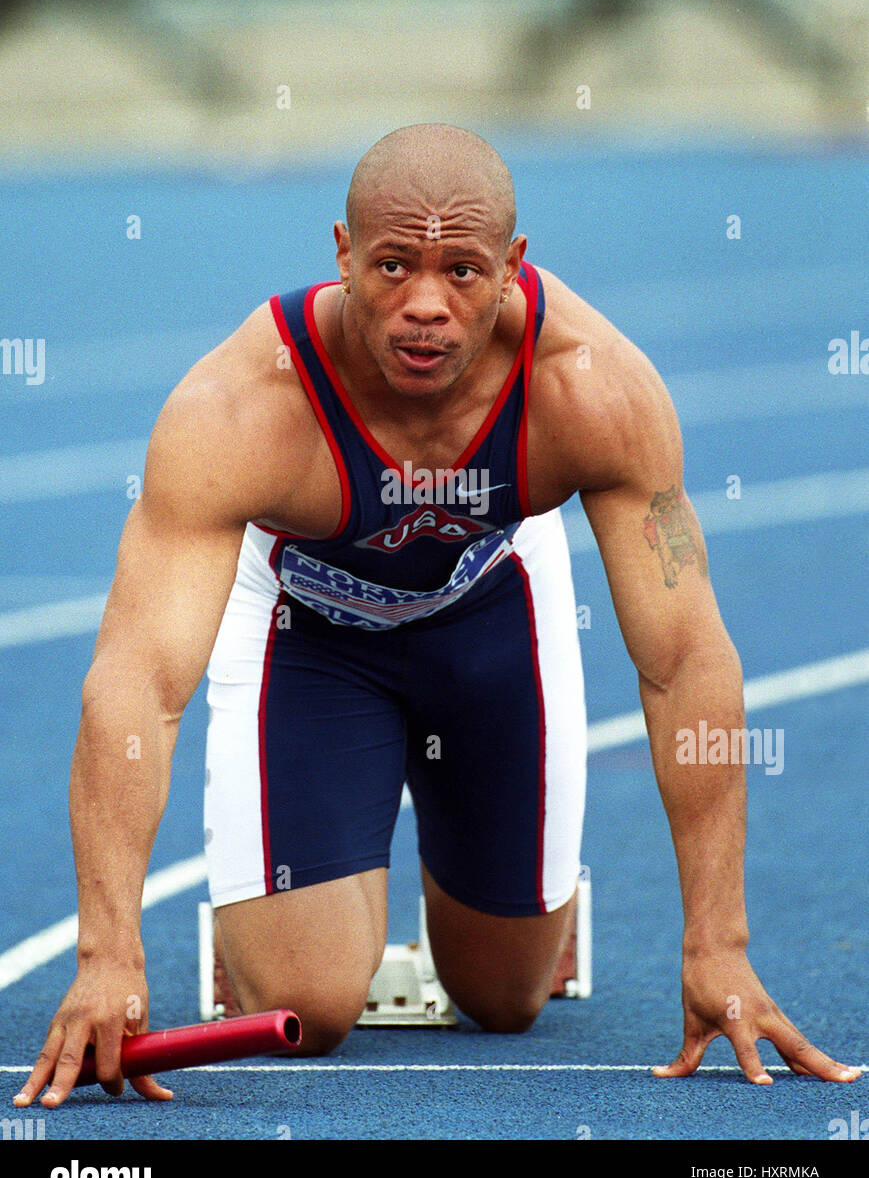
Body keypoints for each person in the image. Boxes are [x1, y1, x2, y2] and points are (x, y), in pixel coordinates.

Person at [14, 124, 861, 1109]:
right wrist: (106, 952)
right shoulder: (239, 410)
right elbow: (138, 683)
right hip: (305, 623)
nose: (424, 305)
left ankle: (497, 891)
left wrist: (718, 942)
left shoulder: (592, 389)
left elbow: (684, 661)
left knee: (502, 999)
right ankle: (272, 915)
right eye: (391, 266)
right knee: (307, 1006)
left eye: (461, 271)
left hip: (487, 600)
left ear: (511, 268)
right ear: (339, 256)